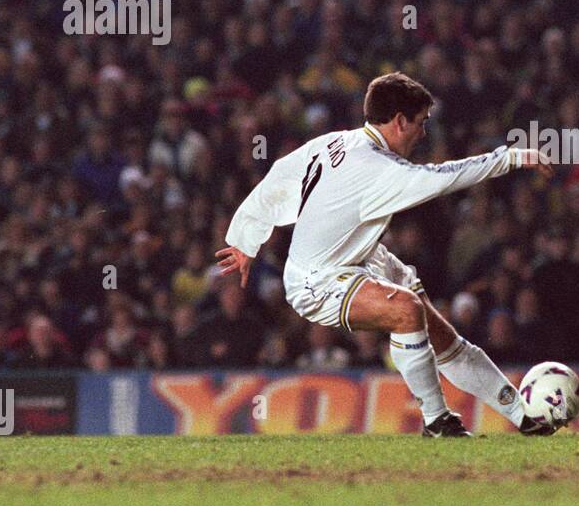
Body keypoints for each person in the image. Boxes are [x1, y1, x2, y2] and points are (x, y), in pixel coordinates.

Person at [217, 72, 554, 436]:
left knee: (443, 338)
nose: (423, 133)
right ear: (400, 121)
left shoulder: (337, 142)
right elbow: (445, 176)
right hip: (317, 279)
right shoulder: (380, 168)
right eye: (421, 123)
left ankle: (523, 416)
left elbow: (281, 174)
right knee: (406, 310)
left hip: (363, 258)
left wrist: (246, 238)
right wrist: (512, 157)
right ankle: (437, 421)